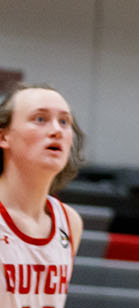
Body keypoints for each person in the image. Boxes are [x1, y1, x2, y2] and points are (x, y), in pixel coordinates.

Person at [0, 85, 84, 308]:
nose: (56, 130)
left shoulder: (70, 222)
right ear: (4, 136)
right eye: (40, 118)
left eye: (64, 121)